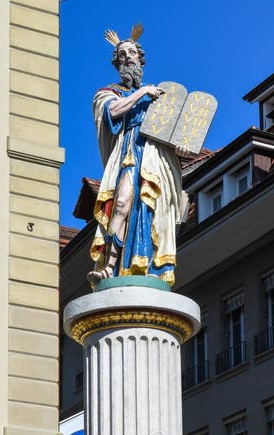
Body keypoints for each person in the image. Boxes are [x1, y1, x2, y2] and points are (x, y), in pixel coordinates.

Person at [88, 26, 186, 287]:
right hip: (129, 150)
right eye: (122, 54)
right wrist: (143, 92)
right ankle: (109, 267)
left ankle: (151, 265)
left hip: (156, 155)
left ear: (140, 59)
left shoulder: (161, 97)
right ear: (117, 63)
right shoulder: (109, 92)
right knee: (121, 204)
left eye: (132, 52)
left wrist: (184, 147)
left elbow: (174, 132)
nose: (128, 57)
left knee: (156, 211)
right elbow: (114, 112)